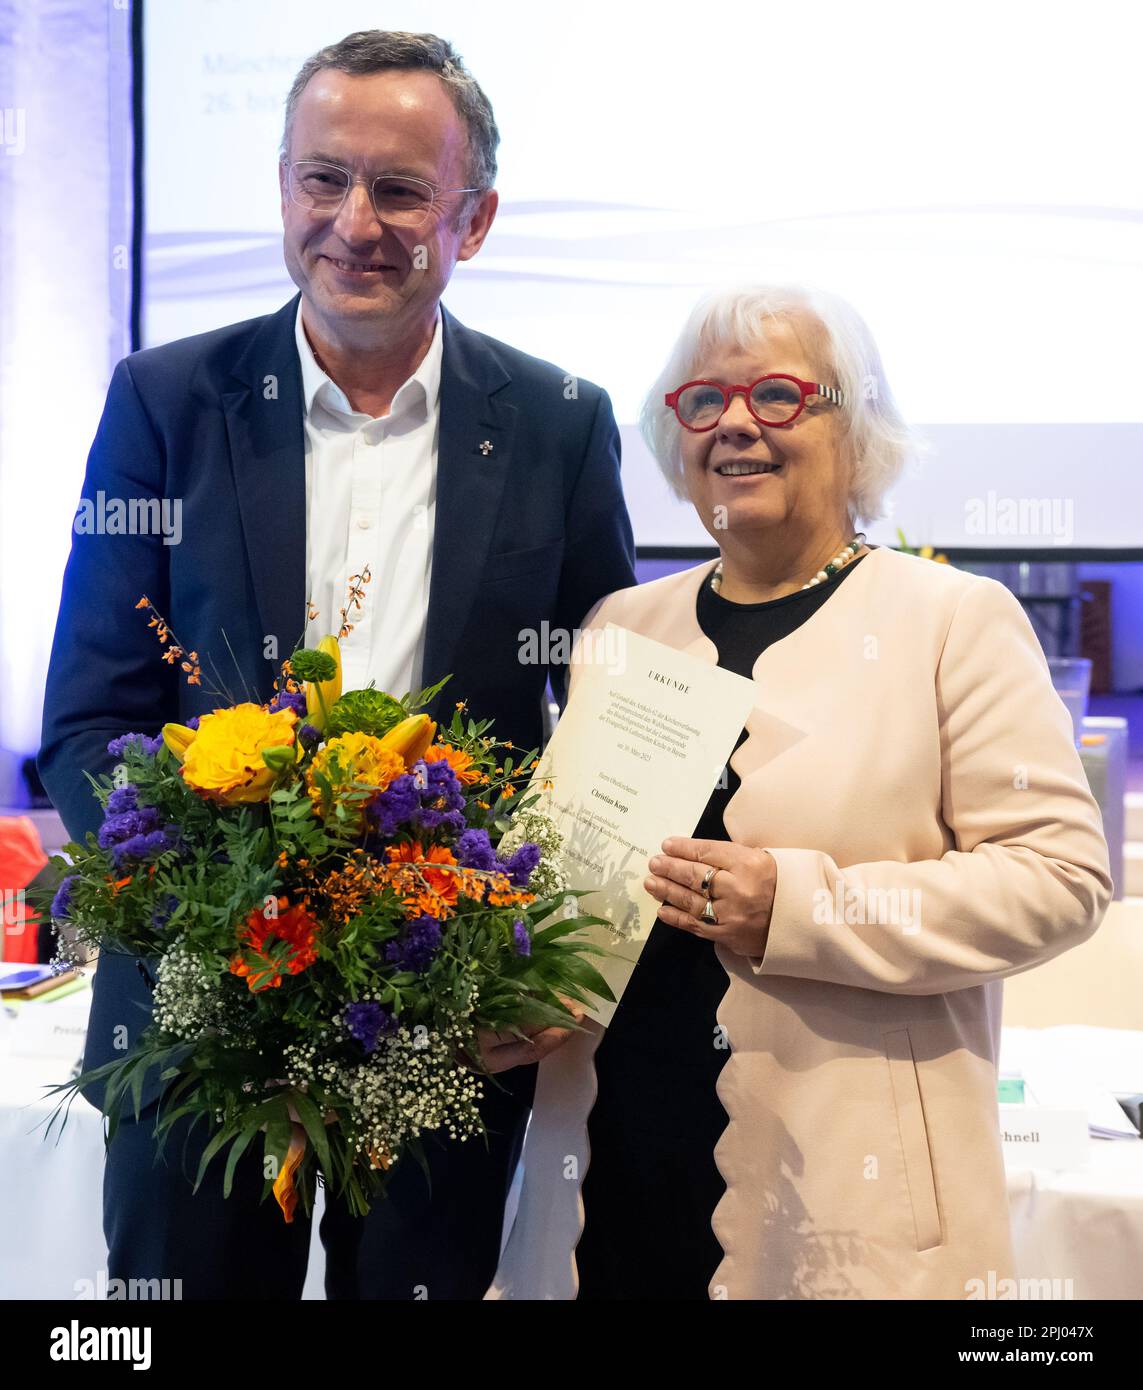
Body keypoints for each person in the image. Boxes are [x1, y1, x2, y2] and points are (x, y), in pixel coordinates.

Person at [37, 29, 635, 1301]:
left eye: (402, 190)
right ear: (282, 188)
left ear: (471, 219)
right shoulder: (164, 402)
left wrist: (540, 933)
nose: (354, 222)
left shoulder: (560, 423)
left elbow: (603, 718)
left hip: (442, 1012)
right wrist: (202, 902)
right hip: (200, 1000)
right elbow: (90, 719)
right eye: (324, 179)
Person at [487, 284, 1112, 1300]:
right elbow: (573, 874)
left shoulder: (953, 619)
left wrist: (799, 904)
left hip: (846, 1210)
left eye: (777, 395)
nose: (735, 423)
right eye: (703, 402)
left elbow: (1060, 878)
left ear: (854, 428)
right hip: (609, 1184)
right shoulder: (620, 627)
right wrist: (513, 974)